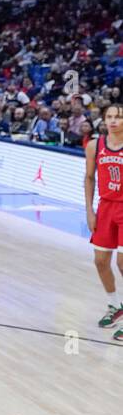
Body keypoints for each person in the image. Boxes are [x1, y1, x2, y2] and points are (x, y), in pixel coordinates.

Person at [87, 104, 123, 340]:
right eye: (109, 117)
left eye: (118, 117)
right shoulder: (94, 145)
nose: (113, 121)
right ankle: (115, 306)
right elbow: (89, 177)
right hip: (105, 207)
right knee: (100, 261)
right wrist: (89, 210)